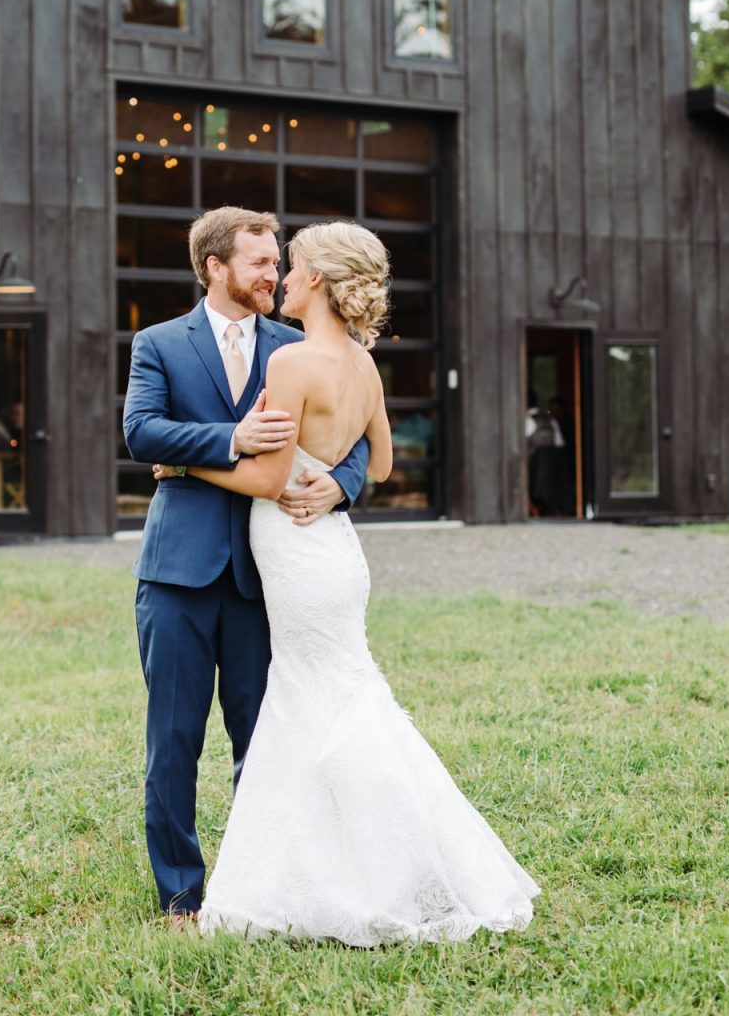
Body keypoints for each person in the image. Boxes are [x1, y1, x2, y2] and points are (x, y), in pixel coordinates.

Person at [163, 220, 539, 946]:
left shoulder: (295, 364)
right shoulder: (365, 367)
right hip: (334, 549)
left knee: (307, 701)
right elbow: (385, 463)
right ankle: (368, 864)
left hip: (295, 548)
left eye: (294, 265)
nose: (284, 275)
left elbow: (269, 477)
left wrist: (184, 464)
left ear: (319, 283)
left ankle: (299, 885)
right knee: (345, 695)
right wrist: (334, 483)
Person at [123, 207, 369, 926]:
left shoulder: (297, 345)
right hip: (176, 575)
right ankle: (181, 895)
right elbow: (141, 430)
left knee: (263, 740)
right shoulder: (159, 342)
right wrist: (230, 437)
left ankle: (263, 883)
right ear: (215, 268)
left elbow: (348, 428)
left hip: (271, 578)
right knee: (172, 741)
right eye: (261, 263)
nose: (275, 275)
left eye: (276, 263)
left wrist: (342, 481)